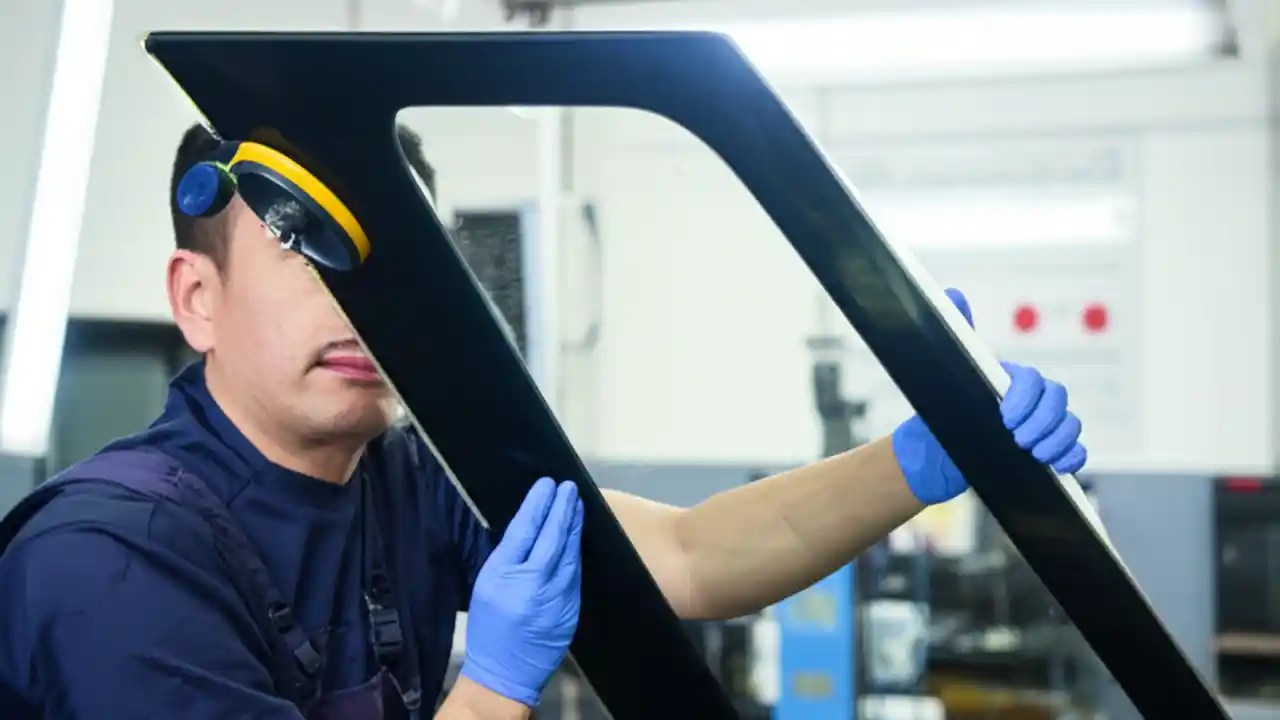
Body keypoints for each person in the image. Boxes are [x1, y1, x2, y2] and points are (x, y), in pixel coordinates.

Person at [0, 122, 1088, 720]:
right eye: (303, 251)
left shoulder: (410, 480)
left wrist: (917, 458)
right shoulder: (109, 566)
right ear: (196, 298)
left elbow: (687, 558)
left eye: (389, 267)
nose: (358, 303)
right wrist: (495, 688)